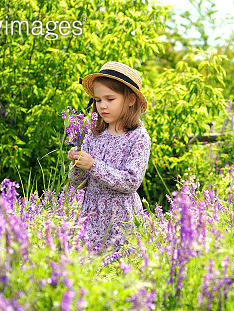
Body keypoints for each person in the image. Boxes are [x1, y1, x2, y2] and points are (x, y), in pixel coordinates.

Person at [67, 61, 151, 252]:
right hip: (91, 219)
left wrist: (93, 165)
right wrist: (78, 164)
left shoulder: (138, 137)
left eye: (110, 99)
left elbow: (131, 181)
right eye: (98, 100)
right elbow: (79, 184)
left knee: (120, 274)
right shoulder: (93, 134)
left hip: (122, 222)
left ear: (131, 100)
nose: (102, 106)